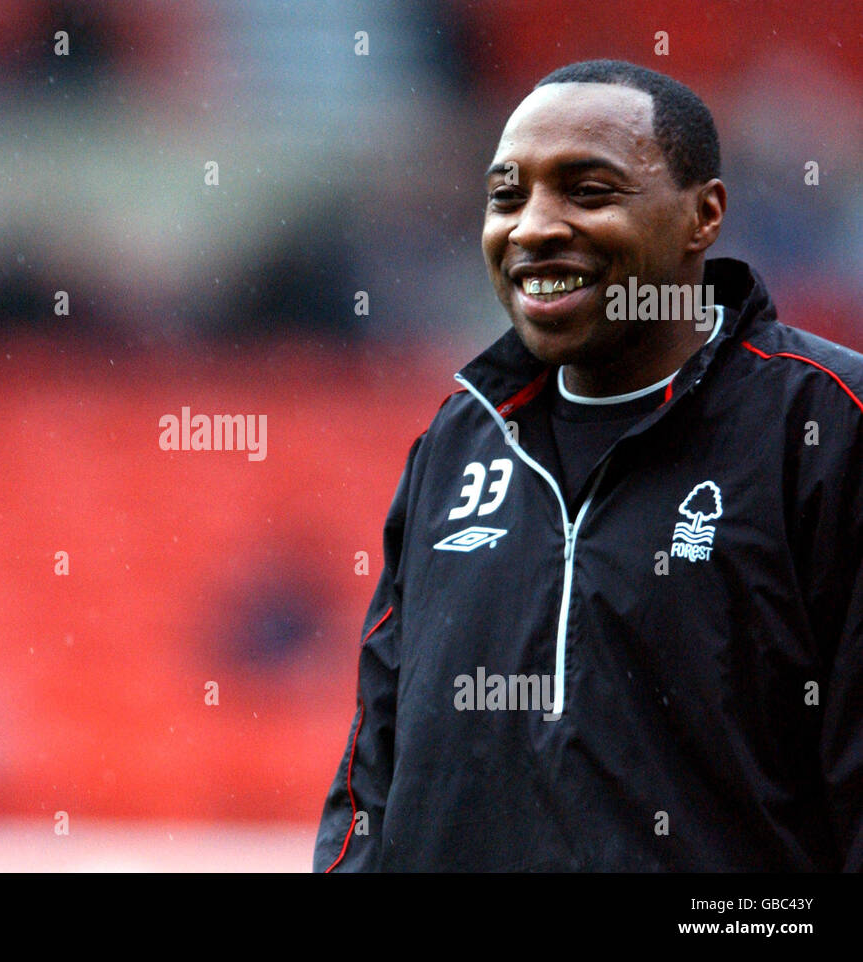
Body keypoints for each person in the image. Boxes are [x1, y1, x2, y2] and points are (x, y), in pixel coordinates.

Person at [314, 59, 863, 871]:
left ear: (703, 216)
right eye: (507, 196)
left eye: (588, 191)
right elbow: (374, 769)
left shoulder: (824, 423)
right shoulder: (460, 437)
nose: (533, 226)